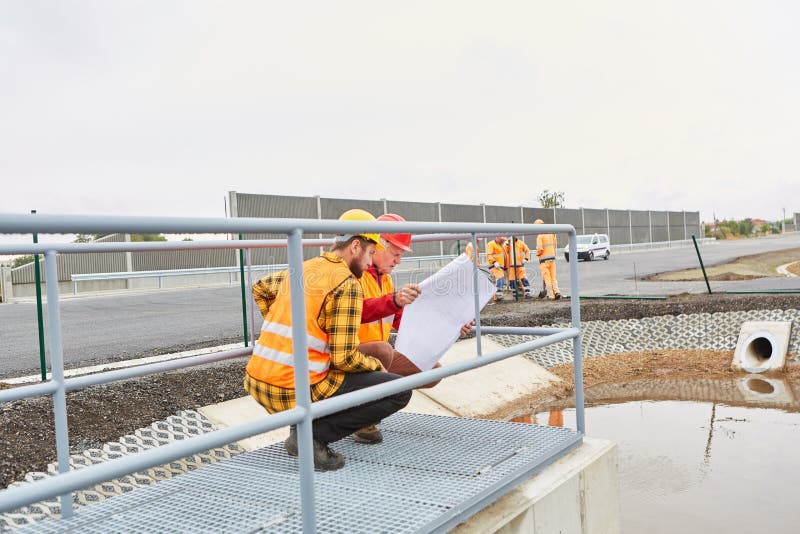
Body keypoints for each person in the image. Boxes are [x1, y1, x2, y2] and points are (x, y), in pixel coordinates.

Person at [244, 208, 411, 471]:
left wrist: (286, 323)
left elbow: (260, 288)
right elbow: (344, 358)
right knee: (398, 390)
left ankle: (303, 429)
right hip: (294, 388)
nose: (370, 262)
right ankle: (313, 437)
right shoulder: (347, 283)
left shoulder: (304, 268)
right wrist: (374, 366)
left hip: (257, 381)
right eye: (369, 253)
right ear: (356, 246)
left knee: (343, 367)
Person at [355, 213, 474, 444]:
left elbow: (406, 321)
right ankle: (359, 417)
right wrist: (394, 301)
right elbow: (356, 311)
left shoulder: (386, 281)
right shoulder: (355, 276)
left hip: (375, 358)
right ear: (376, 246)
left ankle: (365, 411)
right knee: (382, 350)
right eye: (396, 253)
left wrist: (452, 327)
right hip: (351, 356)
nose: (398, 260)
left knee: (431, 371)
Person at [534, 219, 561, 299]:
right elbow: (555, 245)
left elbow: (540, 249)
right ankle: (557, 292)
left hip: (544, 261)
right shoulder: (551, 234)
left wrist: (537, 254)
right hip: (552, 259)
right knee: (553, 277)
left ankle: (551, 295)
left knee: (547, 278)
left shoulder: (540, 236)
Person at [485, 236, 508, 301]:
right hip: (494, 266)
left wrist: (505, 267)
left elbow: (504, 256)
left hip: (501, 267)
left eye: (503, 240)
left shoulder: (501, 245)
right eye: (502, 240)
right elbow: (489, 255)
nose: (503, 241)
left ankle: (497, 297)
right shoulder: (491, 244)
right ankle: (498, 295)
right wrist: (494, 262)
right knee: (499, 279)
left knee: (499, 280)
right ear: (497, 238)